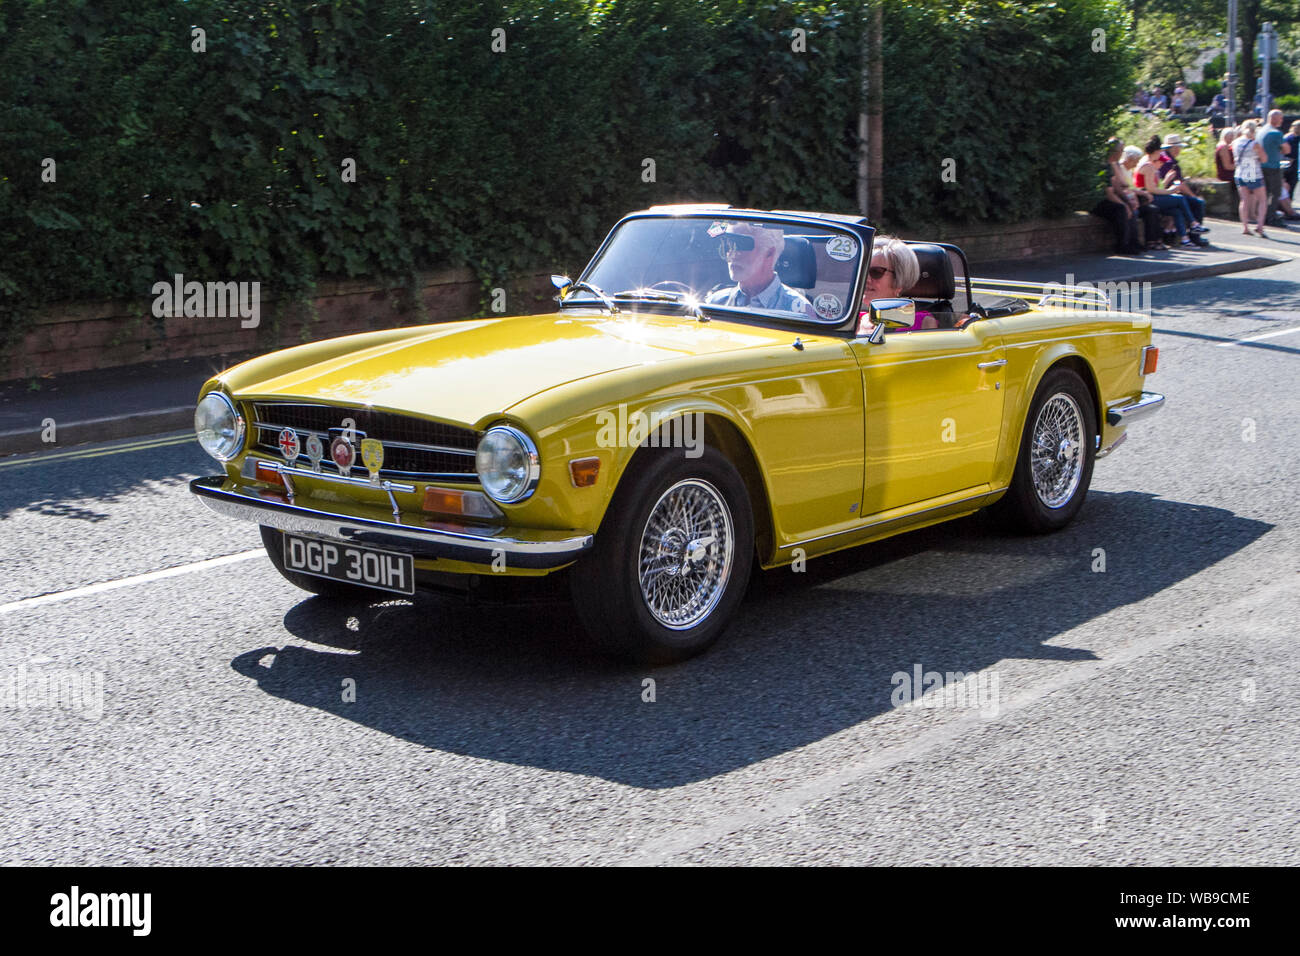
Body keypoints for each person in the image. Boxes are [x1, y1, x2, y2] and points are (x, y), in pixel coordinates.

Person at [705, 222, 813, 315]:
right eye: (729, 245)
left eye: (742, 245)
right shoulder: (715, 302)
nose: (732, 254)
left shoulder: (798, 311)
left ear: (769, 253)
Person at [855, 236, 934, 335]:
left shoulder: (923, 323)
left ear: (898, 281)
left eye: (876, 272)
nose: (866, 279)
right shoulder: (851, 320)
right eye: (863, 271)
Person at [1135, 136, 1205, 247]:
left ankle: (1184, 239)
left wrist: (1167, 183)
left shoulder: (1150, 163)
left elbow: (1156, 185)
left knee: (1176, 211)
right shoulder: (1148, 166)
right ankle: (1193, 223)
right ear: (1157, 151)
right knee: (1180, 199)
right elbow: (1151, 189)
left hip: (1152, 196)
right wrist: (1170, 191)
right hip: (1148, 198)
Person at [1092, 138, 1144, 254]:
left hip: (1108, 198)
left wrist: (1128, 202)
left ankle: (1133, 243)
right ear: (1115, 152)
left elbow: (1117, 186)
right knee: (1121, 210)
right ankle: (1122, 245)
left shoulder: (1111, 165)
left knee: (1130, 208)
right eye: (1121, 150)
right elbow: (1108, 192)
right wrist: (1124, 205)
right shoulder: (1103, 166)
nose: (1122, 154)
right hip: (1097, 201)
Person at [1120, 145, 1168, 250]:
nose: (1137, 163)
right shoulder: (1121, 169)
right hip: (1126, 199)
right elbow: (1124, 188)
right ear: (1129, 159)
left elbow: (1132, 187)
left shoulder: (1129, 170)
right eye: (1135, 160)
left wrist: (1141, 192)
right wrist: (1143, 193)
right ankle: (1133, 242)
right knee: (1135, 213)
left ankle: (1153, 240)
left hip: (1134, 197)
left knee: (1153, 210)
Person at [1158, 134, 1208, 232]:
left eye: (1178, 147)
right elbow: (1179, 184)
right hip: (1167, 193)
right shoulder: (1170, 162)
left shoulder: (1163, 158)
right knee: (1198, 203)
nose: (1177, 150)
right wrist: (1193, 196)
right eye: (1174, 147)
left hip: (1165, 192)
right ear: (1169, 148)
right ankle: (1195, 233)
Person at [1233, 120, 1269, 236]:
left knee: (1244, 200)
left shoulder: (1235, 142)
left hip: (1240, 171)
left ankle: (1245, 226)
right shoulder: (1254, 143)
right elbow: (1264, 159)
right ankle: (1260, 226)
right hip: (1253, 170)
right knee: (1262, 199)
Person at [1260, 109, 1290, 227]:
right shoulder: (1276, 133)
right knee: (1275, 193)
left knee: (1266, 193)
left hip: (1262, 166)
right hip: (1272, 166)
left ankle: (1265, 216)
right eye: (1281, 118)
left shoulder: (1261, 131)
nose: (1282, 120)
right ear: (1274, 119)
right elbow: (1287, 149)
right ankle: (1271, 218)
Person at [1215, 127, 1238, 217]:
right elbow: (1227, 166)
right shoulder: (1224, 147)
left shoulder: (1227, 146)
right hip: (1226, 174)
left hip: (1229, 173)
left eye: (1233, 136)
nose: (1232, 138)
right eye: (1230, 136)